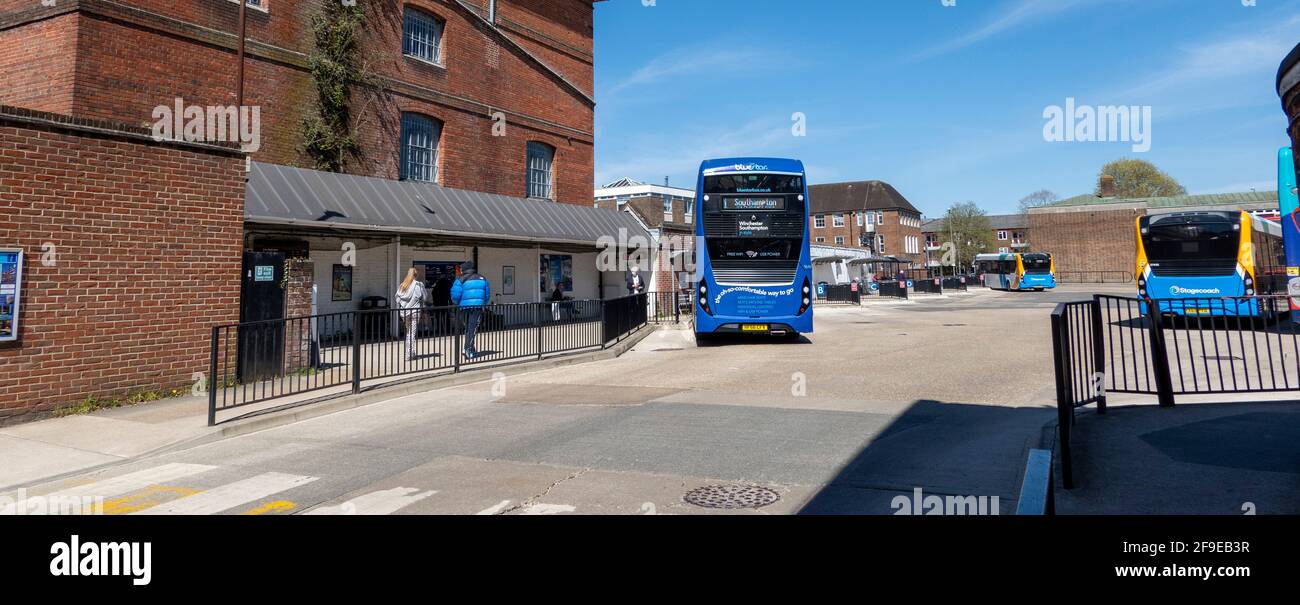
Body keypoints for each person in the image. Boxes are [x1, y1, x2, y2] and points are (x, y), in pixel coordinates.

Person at [451, 261, 490, 359]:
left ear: (464, 269)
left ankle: (469, 348)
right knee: (472, 328)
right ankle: (468, 348)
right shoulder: (482, 278)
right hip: (477, 307)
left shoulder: (460, 279)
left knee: (468, 328)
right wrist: (483, 303)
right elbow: (487, 295)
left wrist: (457, 303)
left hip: (463, 307)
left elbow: (455, 295)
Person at [395, 268, 427, 362]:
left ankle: (411, 352)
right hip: (415, 312)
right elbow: (424, 297)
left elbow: (397, 298)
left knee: (408, 332)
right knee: (411, 333)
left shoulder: (402, 285)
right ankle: (409, 353)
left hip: (404, 313)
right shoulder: (419, 285)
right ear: (416, 275)